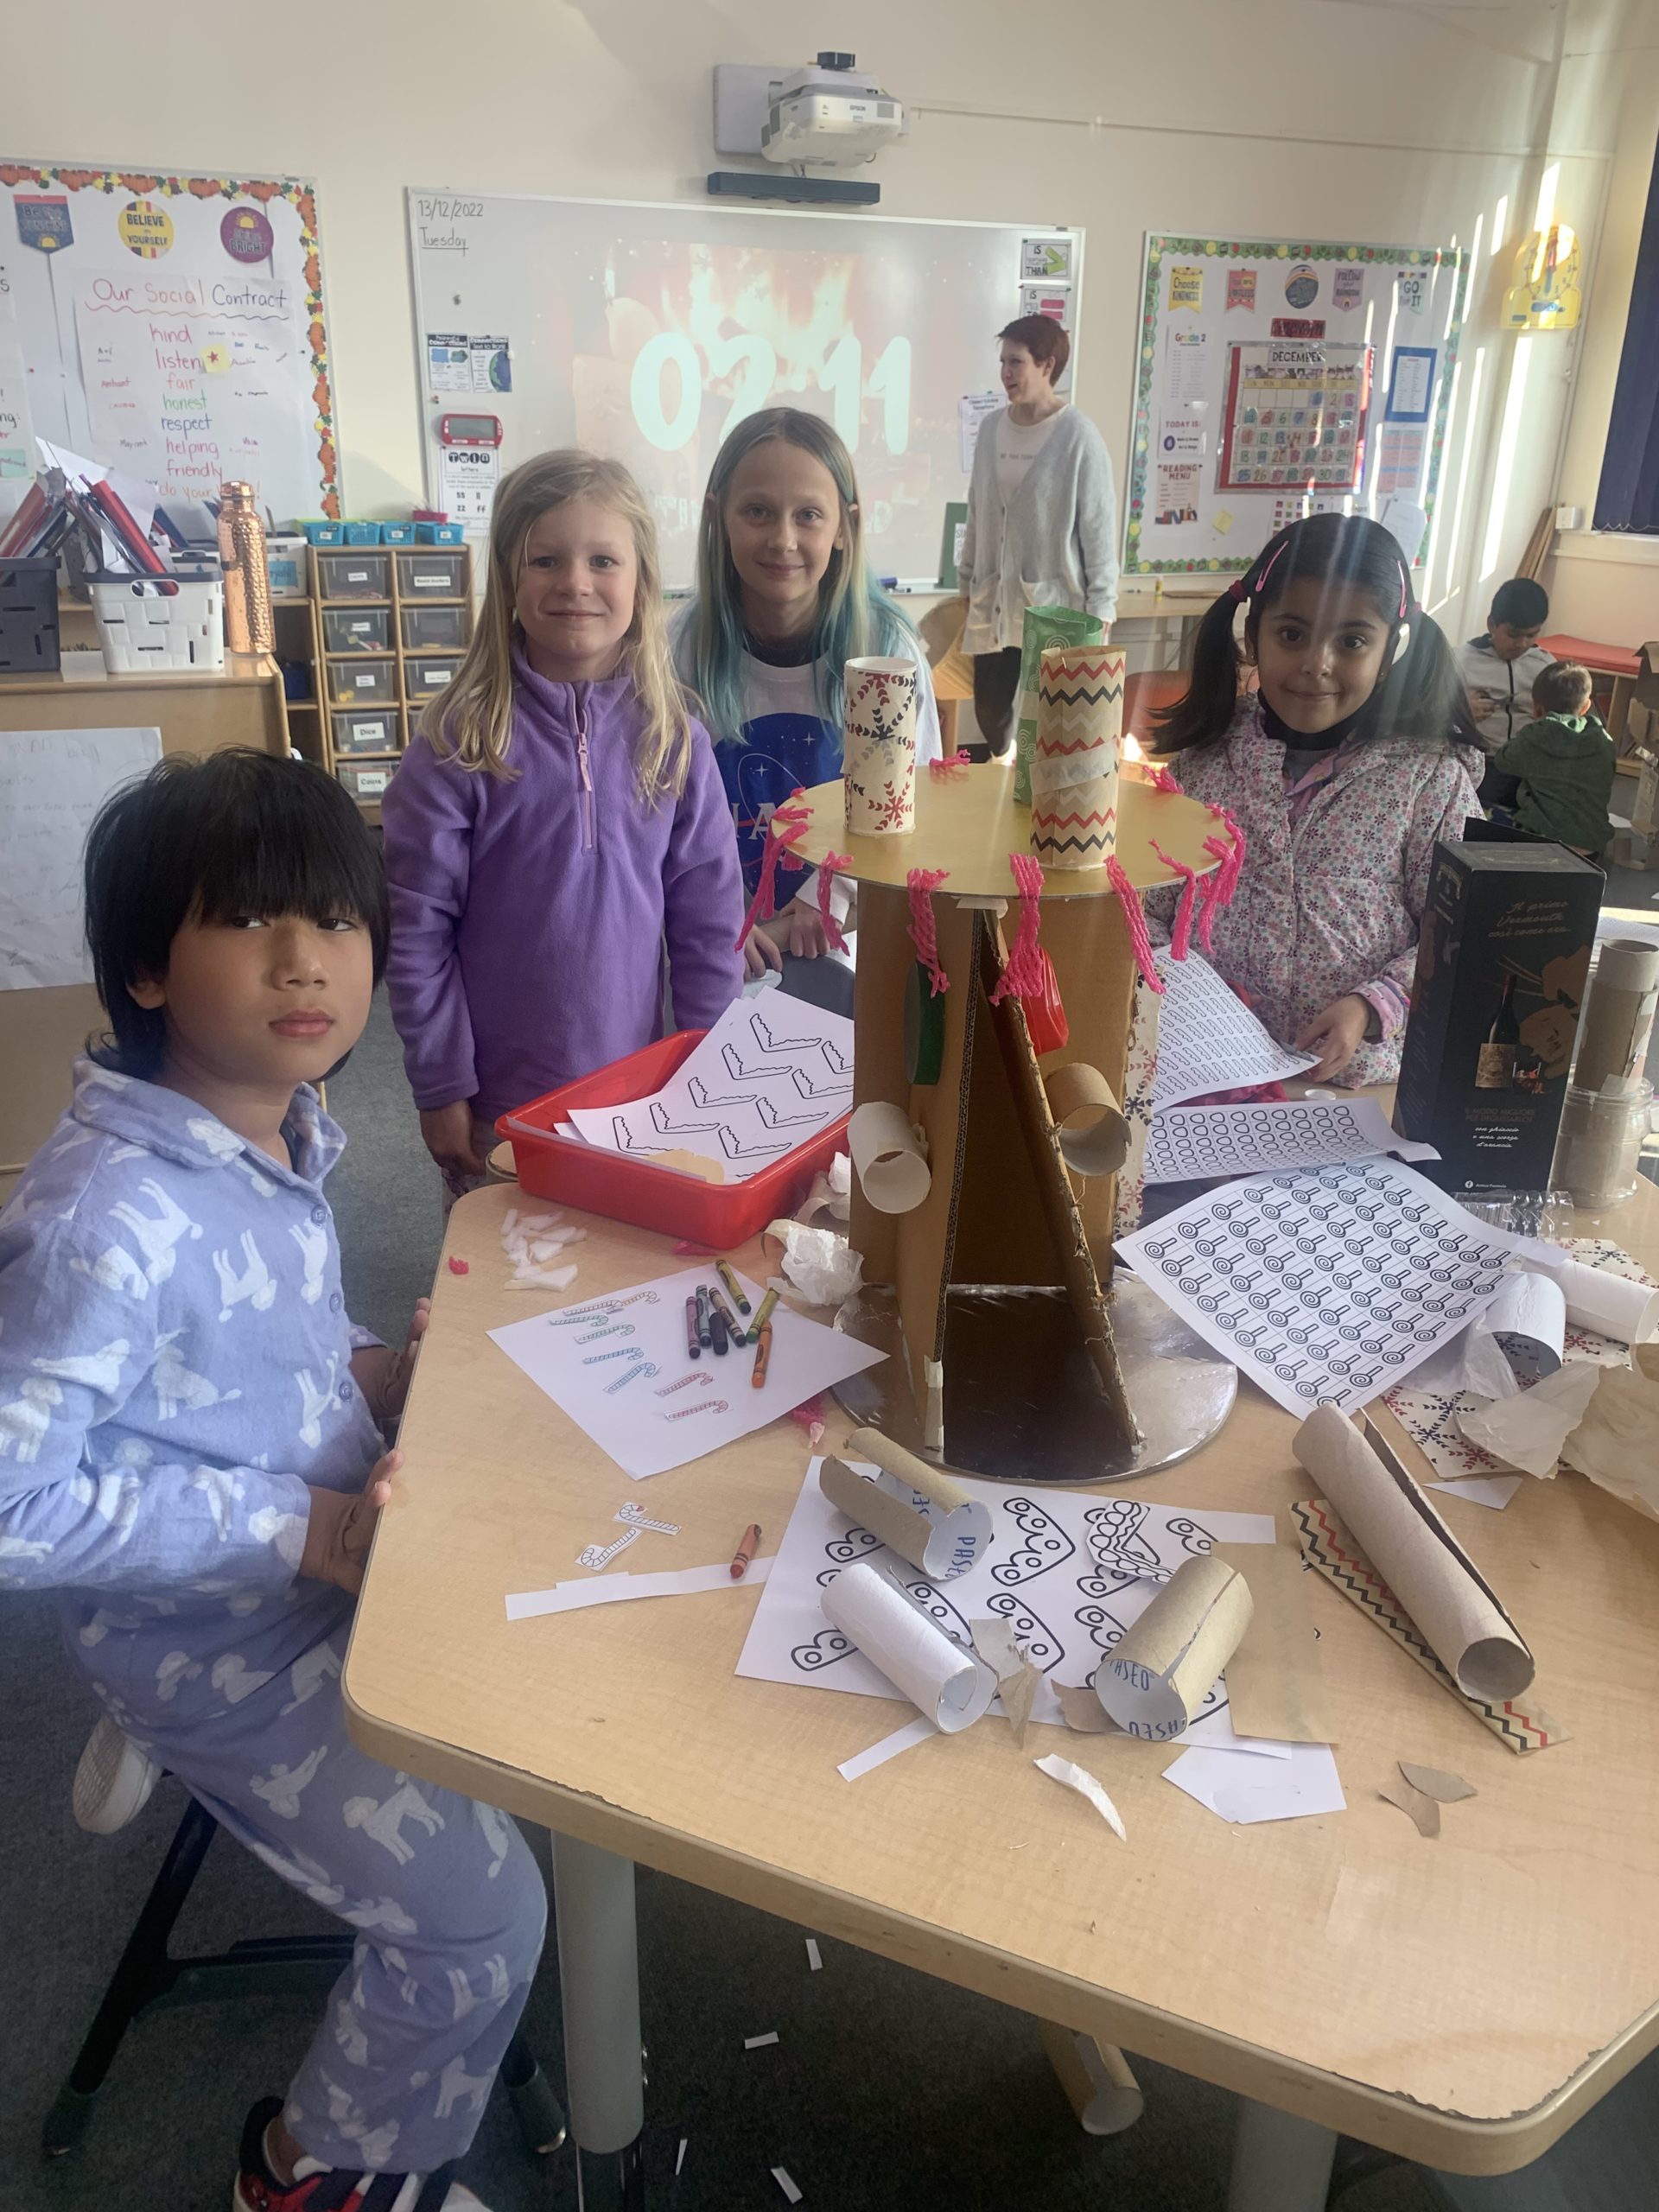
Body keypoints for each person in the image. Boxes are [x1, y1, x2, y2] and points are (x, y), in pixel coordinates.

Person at [0, 750, 542, 2212]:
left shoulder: (270, 1131)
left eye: (338, 920)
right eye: (246, 921)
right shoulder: (107, 1221)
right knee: (484, 1922)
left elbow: (257, 1349)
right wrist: (295, 1524)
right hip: (215, 1637)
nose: (308, 959)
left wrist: (376, 1375)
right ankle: (312, 2174)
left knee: (570, 1637)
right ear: (145, 970)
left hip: (331, 1552)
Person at [384, 451, 746, 1200]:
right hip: (498, 1107)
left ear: (641, 582)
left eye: (602, 560)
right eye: (545, 559)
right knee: (506, 1284)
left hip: (639, 1097)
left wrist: (704, 1073)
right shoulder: (459, 741)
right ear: (509, 581)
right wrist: (439, 1085)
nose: (575, 582)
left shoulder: (674, 740)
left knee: (621, 1283)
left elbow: (709, 926)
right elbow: (418, 932)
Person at [1149, 512, 1483, 1086]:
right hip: (1211, 1077)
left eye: (1352, 641)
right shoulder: (1199, 769)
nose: (1316, 664)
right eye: (1292, 634)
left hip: (1363, 1086)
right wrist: (1188, 990)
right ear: (1253, 638)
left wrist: (1371, 1007)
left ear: (1388, 658)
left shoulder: (1429, 781)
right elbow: (1151, 914)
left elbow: (1465, 931)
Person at [672, 407, 940, 1006]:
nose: (783, 539)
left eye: (808, 516)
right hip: (717, 952)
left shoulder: (888, 652)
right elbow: (657, 816)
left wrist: (830, 895)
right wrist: (721, 917)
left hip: (850, 954)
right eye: (758, 511)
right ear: (718, 518)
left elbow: (912, 805)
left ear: (845, 527)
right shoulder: (680, 652)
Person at [957, 314, 1118, 758]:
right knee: (991, 712)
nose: (1006, 373)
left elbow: (1099, 528)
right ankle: (1001, 783)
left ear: (1047, 365)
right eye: (1003, 362)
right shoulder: (991, 428)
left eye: (1016, 362)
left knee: (1048, 723)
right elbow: (978, 509)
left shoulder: (1077, 436)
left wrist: (1102, 608)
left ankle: (1037, 806)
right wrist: (966, 578)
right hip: (993, 599)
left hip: (1056, 608)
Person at [1485, 660, 1615, 857]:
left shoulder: (1537, 736)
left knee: (1482, 805)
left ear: (1536, 708)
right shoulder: (1604, 741)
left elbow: (1503, 761)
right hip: (1591, 848)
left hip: (1543, 843)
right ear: (1586, 707)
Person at [1455, 575, 1555, 752]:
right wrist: (1460, 712)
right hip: (1479, 759)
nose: (1522, 644)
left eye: (1531, 635)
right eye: (1513, 635)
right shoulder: (1459, 661)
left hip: (1531, 760)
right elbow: (1426, 715)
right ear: (1491, 625)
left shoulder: (1545, 667)